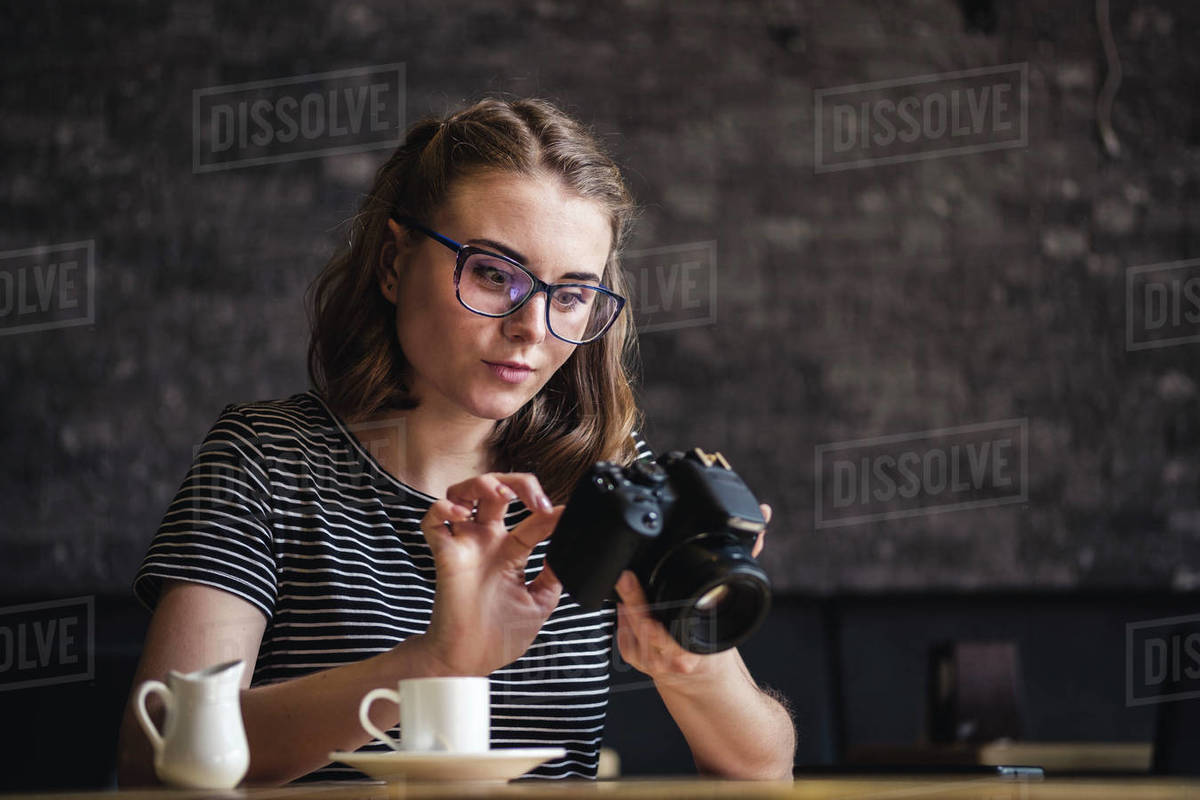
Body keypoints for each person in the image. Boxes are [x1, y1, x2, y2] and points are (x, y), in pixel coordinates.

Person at [116, 97, 795, 785]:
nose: (533, 328)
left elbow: (765, 773)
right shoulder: (265, 458)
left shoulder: (608, 481)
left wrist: (690, 665)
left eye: (570, 296)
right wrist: (436, 659)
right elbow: (158, 760)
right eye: (494, 274)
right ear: (392, 262)